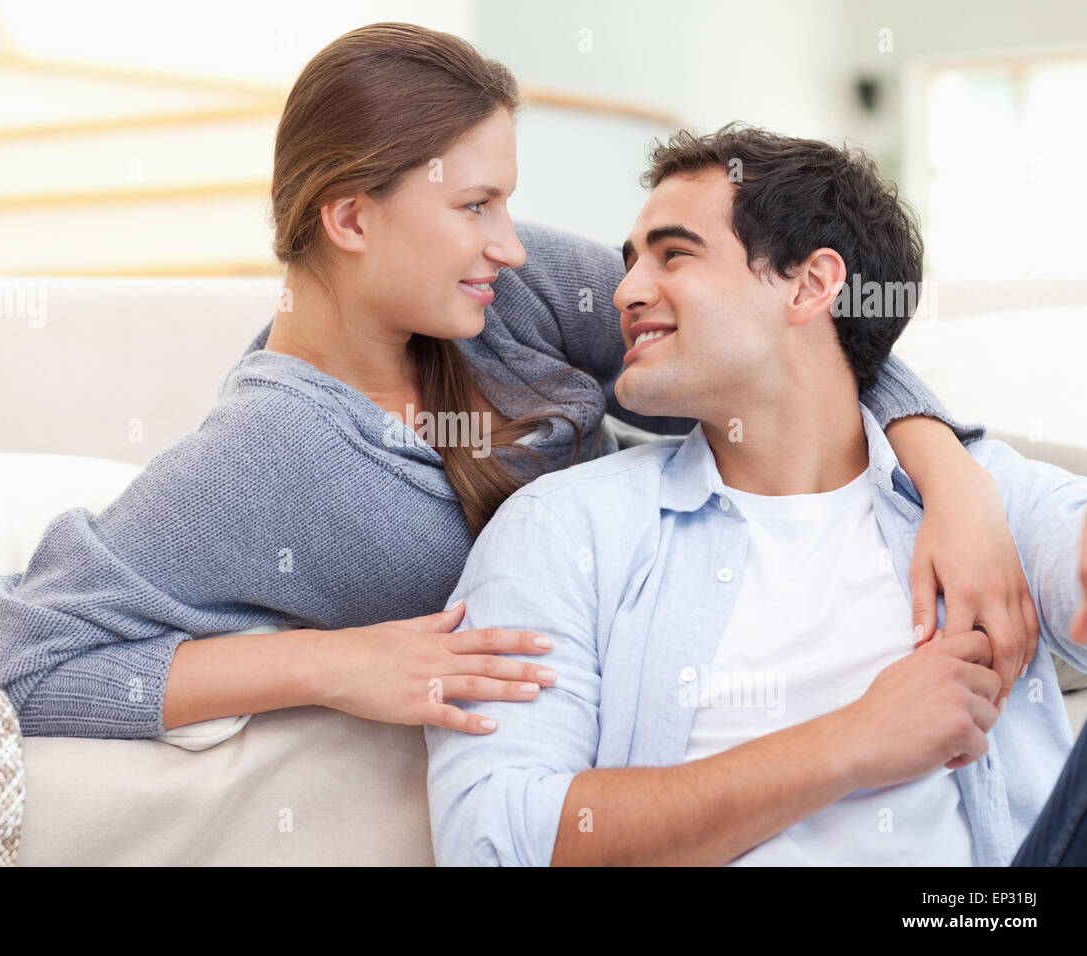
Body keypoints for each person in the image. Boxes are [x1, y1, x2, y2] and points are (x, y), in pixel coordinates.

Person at [0, 23, 1033, 745]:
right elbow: (21, 664)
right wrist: (327, 662)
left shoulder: (494, 303)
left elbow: (795, 340)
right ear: (350, 218)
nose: (511, 245)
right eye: (476, 205)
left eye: (507, 204)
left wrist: (952, 479)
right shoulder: (265, 457)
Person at [422, 123, 1087, 867]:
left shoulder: (983, 497)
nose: (626, 291)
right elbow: (494, 838)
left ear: (810, 285)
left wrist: (960, 483)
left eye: (674, 254)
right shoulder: (564, 528)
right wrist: (854, 740)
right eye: (631, 262)